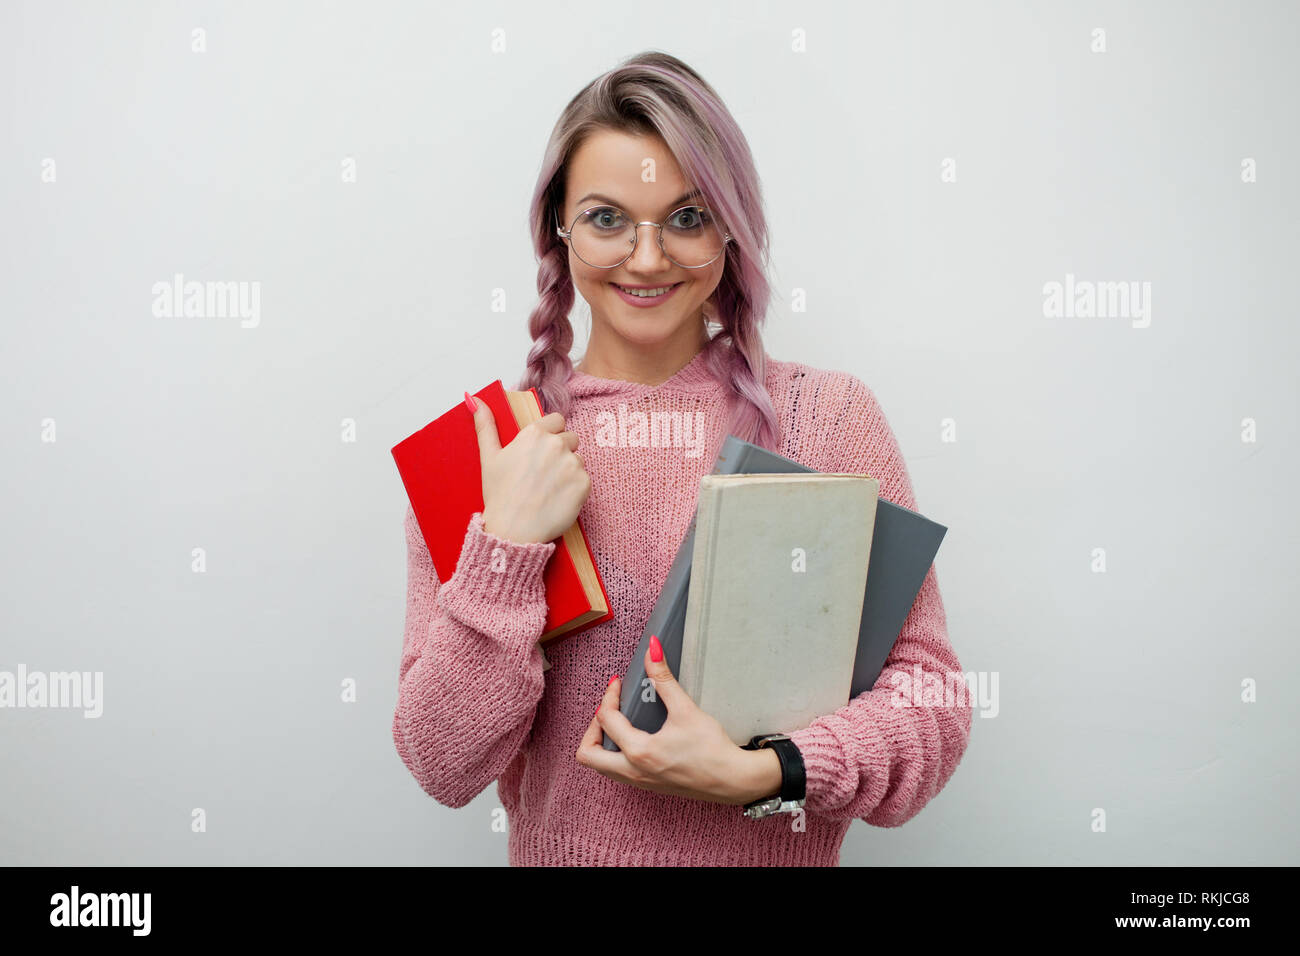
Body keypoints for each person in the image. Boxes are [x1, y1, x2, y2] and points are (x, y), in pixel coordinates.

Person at [392, 50, 971, 866]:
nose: (649, 256)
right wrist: (507, 549)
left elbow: (932, 703)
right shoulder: (492, 451)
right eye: (606, 218)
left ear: (730, 228)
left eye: (688, 218)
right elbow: (440, 762)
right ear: (556, 229)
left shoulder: (826, 419)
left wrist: (765, 771)